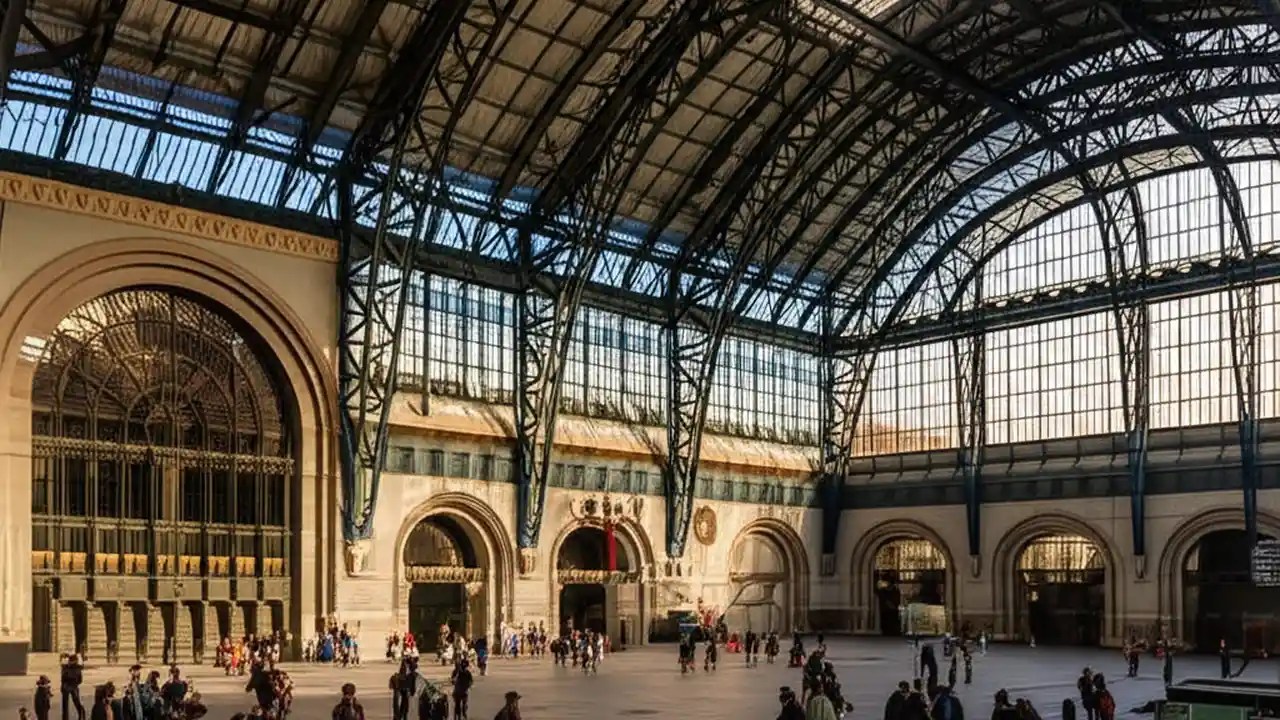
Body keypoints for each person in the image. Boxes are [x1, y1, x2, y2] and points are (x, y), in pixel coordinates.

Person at [61, 655, 86, 720]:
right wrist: (75, 683)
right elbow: (80, 680)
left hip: (66, 687)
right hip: (73, 687)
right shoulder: (78, 668)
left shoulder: (65, 667)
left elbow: (63, 678)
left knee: (65, 705)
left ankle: (66, 718)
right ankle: (81, 715)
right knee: (76, 702)